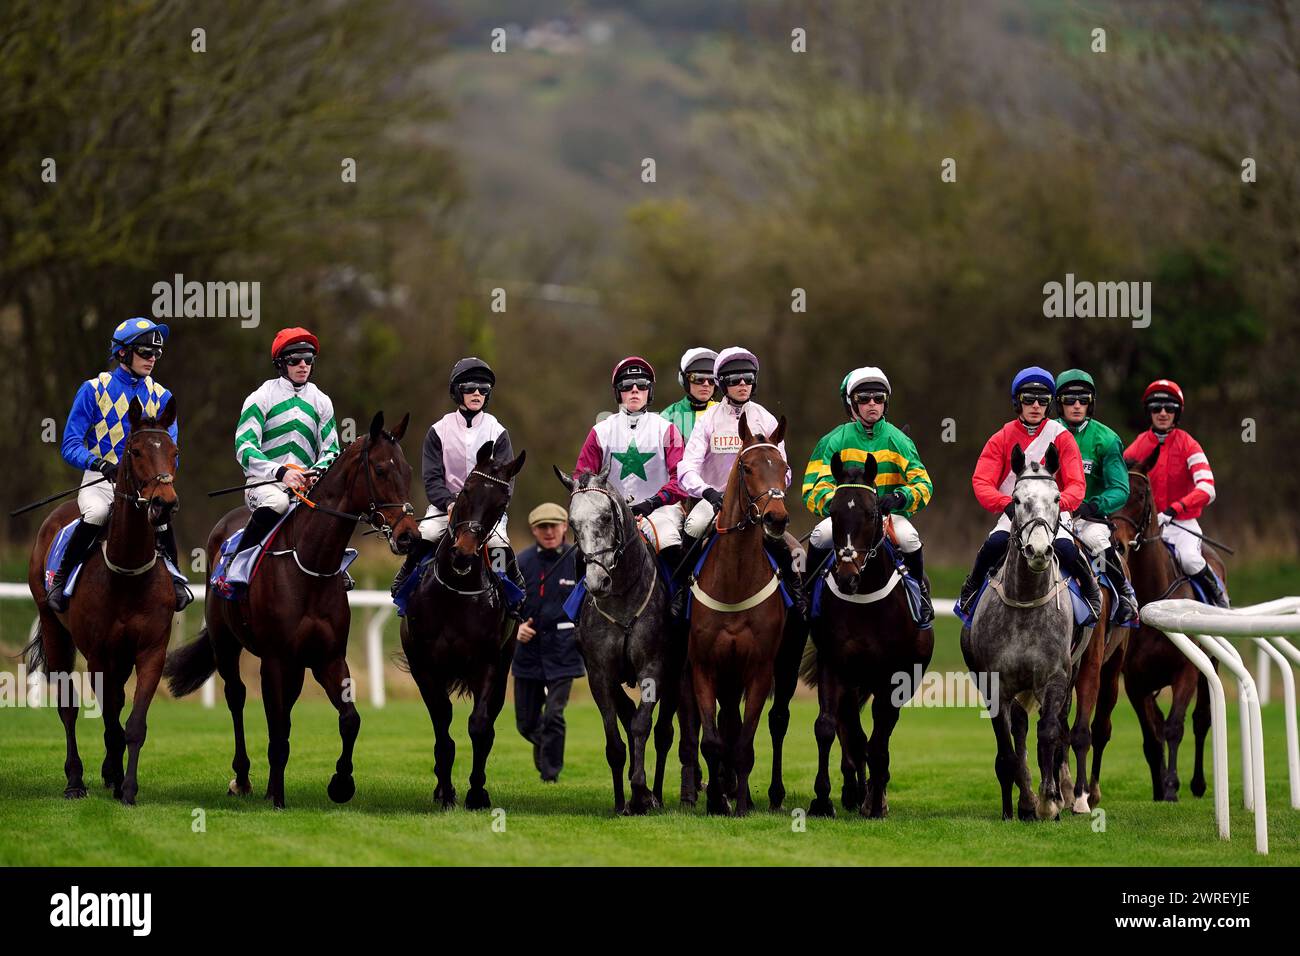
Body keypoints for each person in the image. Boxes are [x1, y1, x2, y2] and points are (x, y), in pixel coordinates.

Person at [50, 317, 188, 612]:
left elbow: (172, 448)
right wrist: (99, 464)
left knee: (162, 515)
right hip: (101, 480)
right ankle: (61, 578)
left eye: (156, 354)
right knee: (98, 512)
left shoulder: (163, 397)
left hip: (144, 484)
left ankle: (176, 578)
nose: (152, 359)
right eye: (146, 352)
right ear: (123, 353)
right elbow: (70, 445)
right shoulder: (93, 389)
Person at [957, 366, 1101, 621]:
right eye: (1028, 399)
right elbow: (981, 481)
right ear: (1018, 402)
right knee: (994, 544)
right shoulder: (1001, 437)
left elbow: (1077, 485)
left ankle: (1091, 592)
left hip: (1053, 513)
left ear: (1049, 405)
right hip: (1015, 512)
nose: (1036, 405)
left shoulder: (1063, 438)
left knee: (1066, 548)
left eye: (1043, 400)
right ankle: (971, 588)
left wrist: (1057, 503)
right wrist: (1006, 504)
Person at [678, 346, 806, 615]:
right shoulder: (708, 420)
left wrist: (773, 490)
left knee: (791, 548)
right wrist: (708, 492)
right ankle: (680, 591)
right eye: (735, 380)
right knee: (694, 525)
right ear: (723, 384)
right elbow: (686, 468)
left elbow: (785, 469)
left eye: (748, 379)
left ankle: (796, 593)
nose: (743, 385)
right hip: (715, 501)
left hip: (759, 501)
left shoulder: (765, 418)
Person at [802, 366, 935, 626]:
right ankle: (806, 596)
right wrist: (838, 505)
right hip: (846, 519)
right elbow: (812, 485)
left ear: (886, 403)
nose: (872, 404)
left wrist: (899, 497)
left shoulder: (899, 440)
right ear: (852, 404)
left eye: (878, 398)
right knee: (819, 536)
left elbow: (923, 483)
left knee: (910, 539)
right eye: (864, 399)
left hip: (887, 517)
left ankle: (921, 596)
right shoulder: (833, 440)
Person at [391, 356, 524, 599]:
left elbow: (506, 479)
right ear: (456, 392)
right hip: (446, 507)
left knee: (498, 545)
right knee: (428, 534)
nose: (477, 393)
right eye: (470, 388)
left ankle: (512, 590)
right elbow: (431, 477)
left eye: (483, 389)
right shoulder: (438, 430)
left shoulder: (499, 431)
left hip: (485, 512)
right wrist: (449, 503)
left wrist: (490, 509)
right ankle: (405, 578)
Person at [573, 356, 688, 573]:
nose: (635, 390)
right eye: (627, 385)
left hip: (659, 511)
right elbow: (583, 478)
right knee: (580, 554)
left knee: (669, 541)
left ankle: (678, 600)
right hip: (610, 514)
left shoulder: (667, 430)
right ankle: (580, 603)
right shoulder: (600, 431)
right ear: (619, 392)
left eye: (642, 385)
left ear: (649, 391)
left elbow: (680, 480)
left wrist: (652, 503)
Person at [234, 327, 340, 555]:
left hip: (306, 487)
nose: (303, 365)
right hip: (263, 485)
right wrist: (281, 473)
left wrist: (314, 475)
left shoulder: (322, 402)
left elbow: (331, 452)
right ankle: (237, 562)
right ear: (281, 363)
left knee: (335, 510)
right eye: (295, 360)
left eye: (308, 359)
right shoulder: (260, 397)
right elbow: (244, 448)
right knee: (278, 503)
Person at [1124, 378, 1228, 608]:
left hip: (1182, 524)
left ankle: (1220, 600)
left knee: (1190, 560)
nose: (1162, 413)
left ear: (1177, 412)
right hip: (1145, 527)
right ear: (1149, 412)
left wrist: (1174, 509)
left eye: (1169, 408)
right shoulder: (1137, 446)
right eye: (1156, 408)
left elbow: (1207, 488)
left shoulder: (1189, 444)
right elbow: (1121, 482)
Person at [1054, 369, 1140, 624]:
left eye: (1083, 399)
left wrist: (1095, 504)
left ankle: (1125, 595)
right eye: (1070, 399)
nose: (1077, 405)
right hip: (1049, 515)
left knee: (1095, 540)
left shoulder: (1108, 439)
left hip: (1087, 519)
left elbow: (1120, 488)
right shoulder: (1046, 434)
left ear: (1091, 403)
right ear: (1059, 403)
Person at [512, 503, 584, 782]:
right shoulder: (521, 561)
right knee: (526, 723)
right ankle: (548, 748)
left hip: (564, 650)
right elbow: (506, 604)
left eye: (554, 525)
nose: (549, 532)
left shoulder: (579, 559)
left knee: (554, 714)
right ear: (534, 530)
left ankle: (550, 775)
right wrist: (517, 628)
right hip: (528, 653)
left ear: (565, 526)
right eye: (543, 527)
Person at [660, 347, 718, 442]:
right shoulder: (668, 416)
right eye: (698, 378)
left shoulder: (727, 413)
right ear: (684, 380)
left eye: (712, 379)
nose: (706, 384)